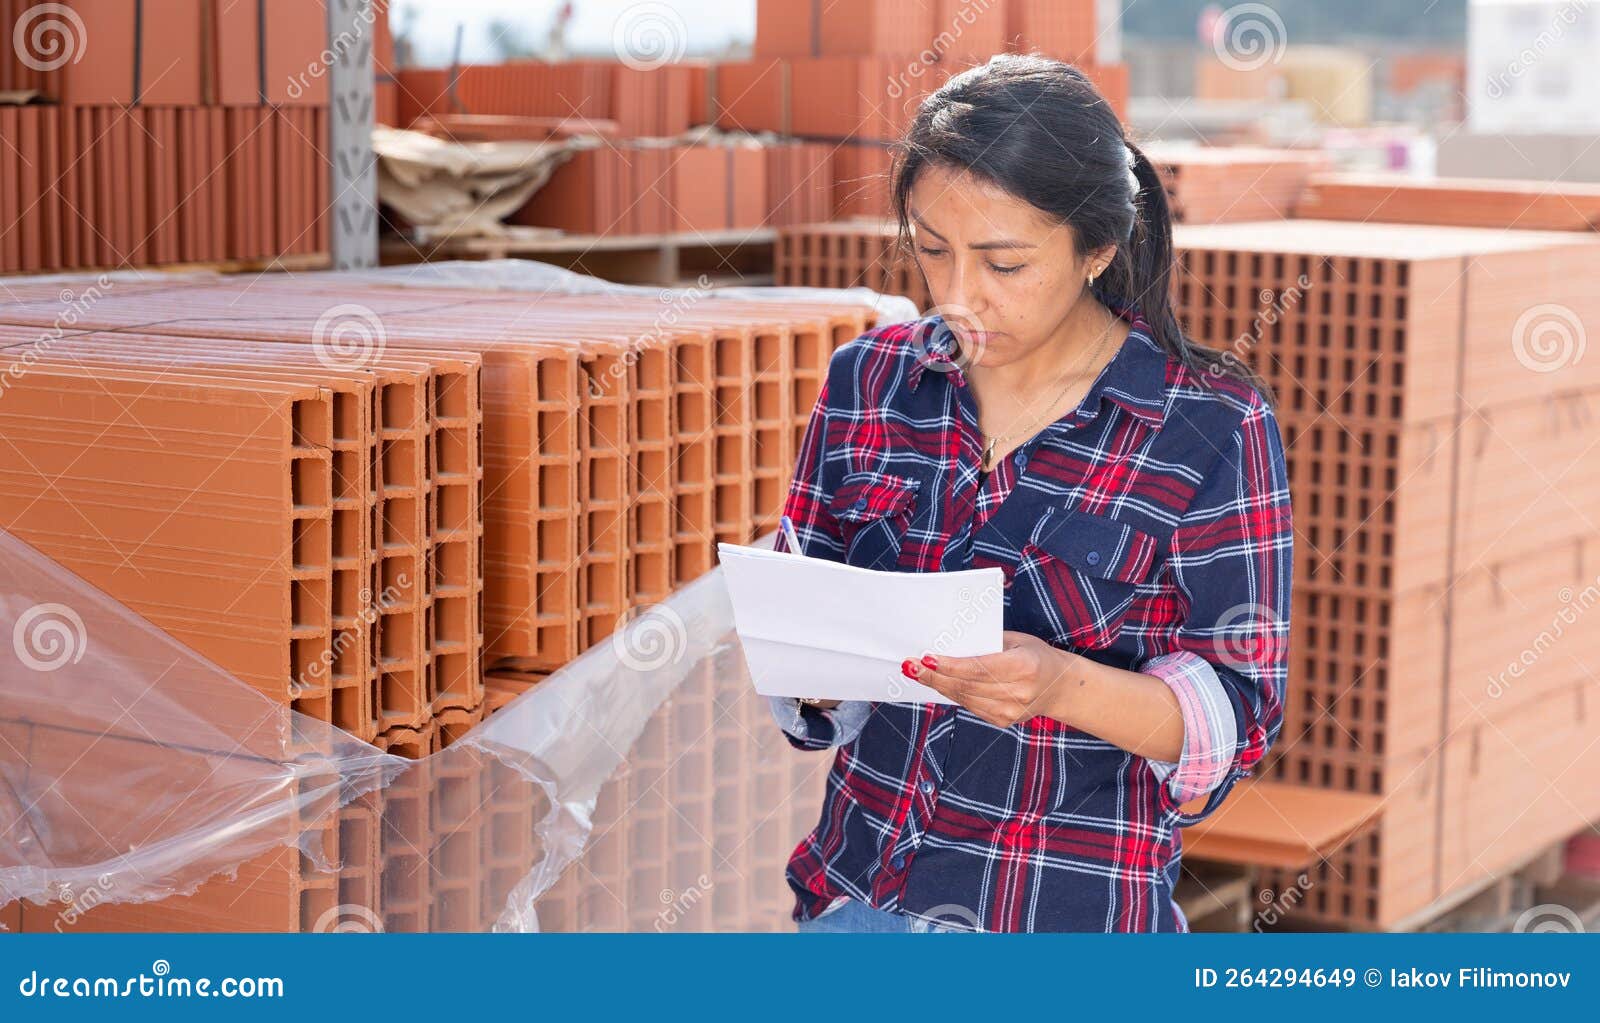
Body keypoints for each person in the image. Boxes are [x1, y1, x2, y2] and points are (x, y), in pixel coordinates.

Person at [767, 54, 1294, 933]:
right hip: (856, 902)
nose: (959, 296)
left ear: (1097, 249)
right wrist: (811, 676)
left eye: (1004, 264)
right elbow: (806, 614)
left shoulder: (1208, 425)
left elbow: (1237, 718)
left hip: (1064, 922)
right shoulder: (870, 380)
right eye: (933, 250)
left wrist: (1058, 685)